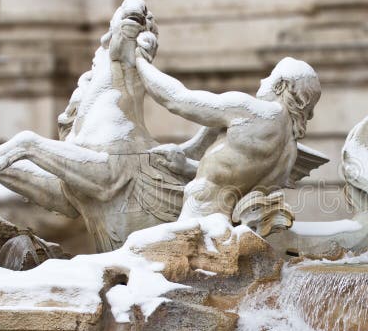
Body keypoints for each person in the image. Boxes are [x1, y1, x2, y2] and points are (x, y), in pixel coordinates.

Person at [135, 46, 321, 221]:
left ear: (280, 86)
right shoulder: (290, 151)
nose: (262, 81)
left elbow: (177, 99)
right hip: (224, 228)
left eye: (269, 77)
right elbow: (233, 179)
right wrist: (186, 167)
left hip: (198, 224)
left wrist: (140, 62)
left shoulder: (253, 112)